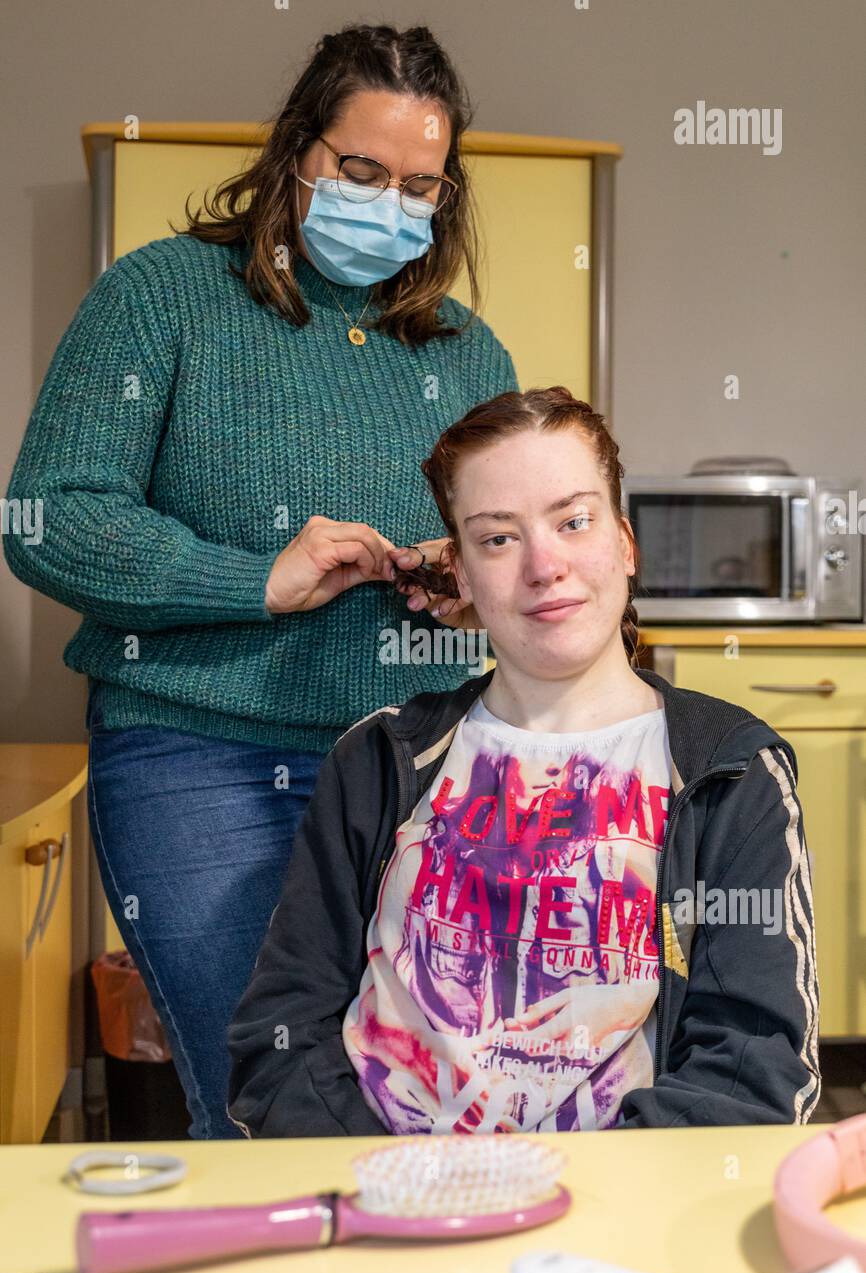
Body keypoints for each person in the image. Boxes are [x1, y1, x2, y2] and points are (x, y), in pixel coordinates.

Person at [2, 23, 513, 1138]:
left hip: (410, 763)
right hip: (200, 757)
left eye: (419, 186)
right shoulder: (161, 298)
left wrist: (468, 578)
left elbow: (505, 545)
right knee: (262, 1104)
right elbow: (50, 522)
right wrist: (256, 579)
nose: (388, 204)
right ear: (296, 158)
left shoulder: (466, 353)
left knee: (413, 1098)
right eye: (360, 172)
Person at [226, 386, 821, 1136]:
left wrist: (592, 1207)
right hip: (385, 1210)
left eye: (574, 521)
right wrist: (390, 1193)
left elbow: (753, 1068)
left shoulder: (728, 771)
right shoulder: (381, 761)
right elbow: (280, 1040)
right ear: (464, 577)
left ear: (626, 544)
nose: (545, 565)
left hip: (613, 1217)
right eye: (499, 538)